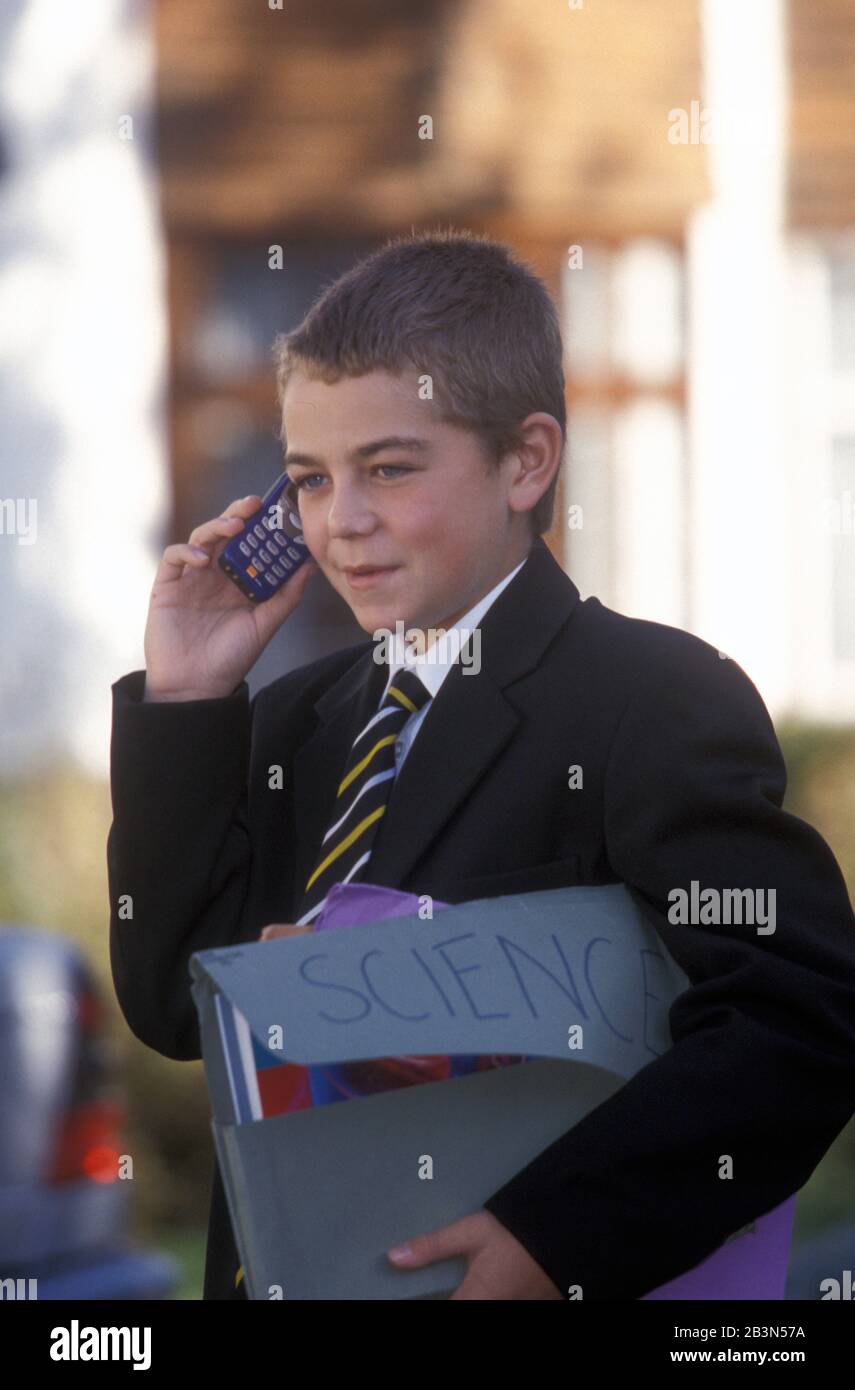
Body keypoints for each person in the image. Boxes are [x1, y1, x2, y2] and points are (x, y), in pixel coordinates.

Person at [107, 228, 855, 1301]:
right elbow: (174, 1004)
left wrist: (558, 1240)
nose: (343, 523)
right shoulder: (291, 723)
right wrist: (186, 697)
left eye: (389, 469)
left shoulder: (649, 698)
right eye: (309, 481)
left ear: (528, 460)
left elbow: (800, 1015)